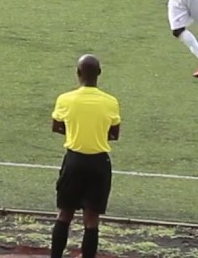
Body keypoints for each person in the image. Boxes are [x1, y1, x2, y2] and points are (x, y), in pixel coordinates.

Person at [49, 54, 120, 258]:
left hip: (74, 162)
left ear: (78, 73)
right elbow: (114, 133)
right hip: (99, 163)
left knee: (64, 214)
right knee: (91, 218)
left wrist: (73, 132)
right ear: (99, 73)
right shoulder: (110, 102)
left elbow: (56, 126)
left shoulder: (65, 99)